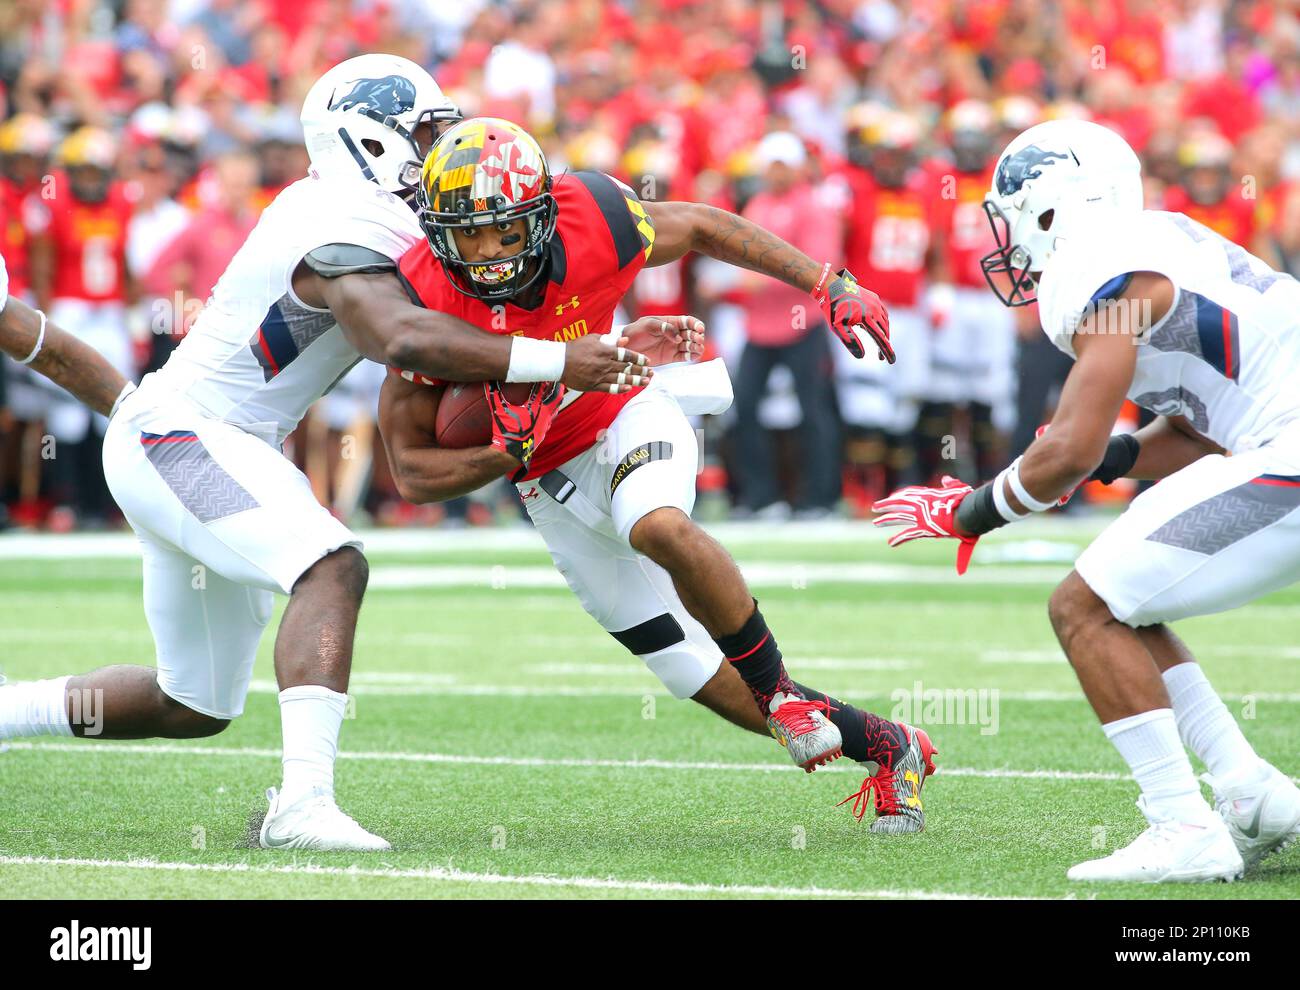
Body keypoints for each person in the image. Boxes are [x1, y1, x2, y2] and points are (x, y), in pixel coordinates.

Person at [0, 54, 649, 852]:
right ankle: (301, 806)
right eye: (426, 132)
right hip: (186, 436)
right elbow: (400, 335)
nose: (441, 148)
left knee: (194, 705)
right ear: (371, 142)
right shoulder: (340, 216)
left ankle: (7, 711)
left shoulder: (367, 212)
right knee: (332, 564)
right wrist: (560, 362)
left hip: (185, 432)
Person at [380, 116, 937, 833]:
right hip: (541, 478)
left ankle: (781, 694)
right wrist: (505, 452)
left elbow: (703, 225)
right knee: (693, 674)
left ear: (543, 217)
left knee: (656, 524)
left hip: (624, 412)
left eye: (504, 231)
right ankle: (891, 745)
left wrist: (827, 282)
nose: (486, 254)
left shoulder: (595, 220)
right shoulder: (421, 295)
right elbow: (412, 473)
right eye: (469, 235)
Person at [873, 119, 1300, 879]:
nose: (1007, 241)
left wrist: (969, 510)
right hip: (1278, 441)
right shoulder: (1163, 239)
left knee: (1083, 605)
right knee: (1129, 599)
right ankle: (1248, 791)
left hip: (1290, 450)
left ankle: (1181, 825)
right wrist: (1126, 453)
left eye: (1012, 217)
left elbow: (1065, 451)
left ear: (1054, 207)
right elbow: (1209, 425)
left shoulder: (1100, 263)